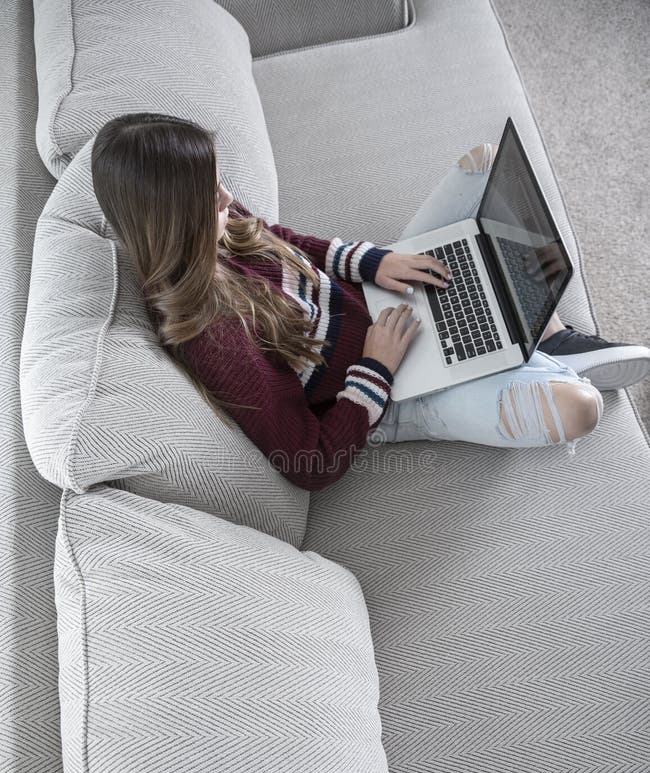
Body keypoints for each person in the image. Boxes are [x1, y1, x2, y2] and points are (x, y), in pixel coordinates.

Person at [91, 113, 650, 491]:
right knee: (580, 408)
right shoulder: (214, 337)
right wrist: (377, 367)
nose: (228, 198)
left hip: (381, 301)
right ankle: (535, 346)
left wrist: (374, 262)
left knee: (486, 165)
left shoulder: (212, 226)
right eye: (211, 196)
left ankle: (540, 337)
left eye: (220, 182)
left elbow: (278, 239)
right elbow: (308, 461)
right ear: (174, 220)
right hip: (392, 395)